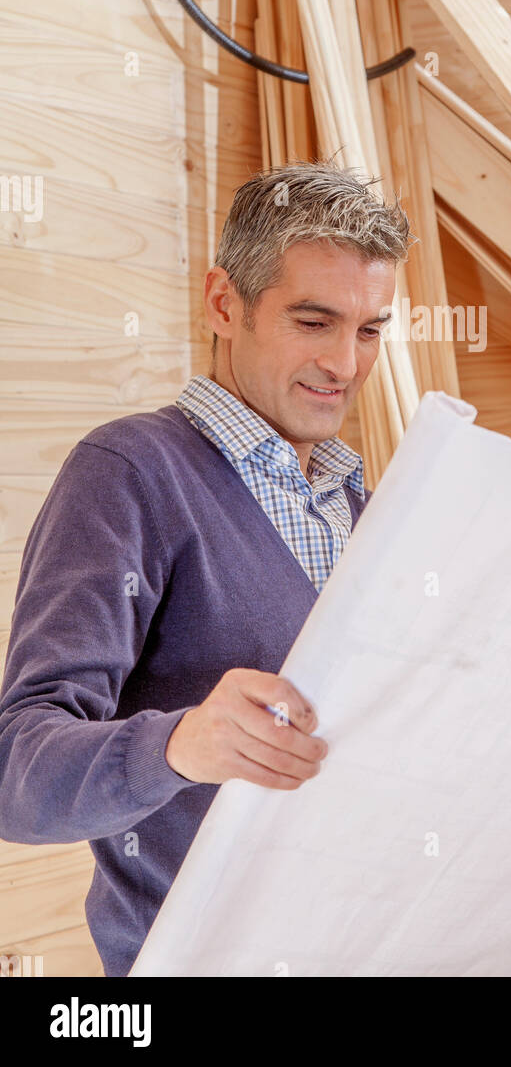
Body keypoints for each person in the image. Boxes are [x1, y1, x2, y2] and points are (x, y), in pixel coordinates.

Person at [0, 161, 409, 977]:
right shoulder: (132, 474)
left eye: (369, 331)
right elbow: (16, 771)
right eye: (313, 321)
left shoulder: (364, 498)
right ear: (226, 304)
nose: (345, 363)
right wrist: (182, 744)